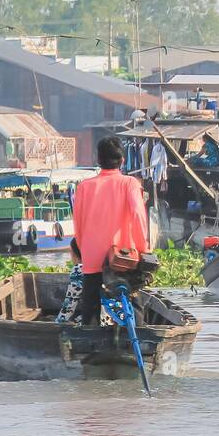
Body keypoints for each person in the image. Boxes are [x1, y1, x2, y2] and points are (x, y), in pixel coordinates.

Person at [71, 137, 151, 329]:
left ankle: (90, 348)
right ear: (122, 160)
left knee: (90, 305)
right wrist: (143, 248)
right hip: (122, 257)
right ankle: (137, 340)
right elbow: (139, 215)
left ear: (98, 160)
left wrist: (84, 250)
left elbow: (78, 224)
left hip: (92, 258)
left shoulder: (84, 186)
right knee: (133, 302)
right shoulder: (130, 183)